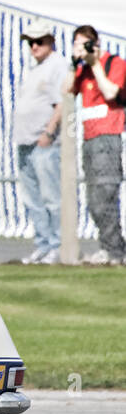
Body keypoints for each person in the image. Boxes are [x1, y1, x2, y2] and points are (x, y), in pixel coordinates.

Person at [63, 24, 126, 264]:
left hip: (108, 137)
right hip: (89, 138)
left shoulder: (113, 63)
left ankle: (115, 251)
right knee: (94, 199)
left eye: (87, 43)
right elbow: (67, 91)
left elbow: (111, 93)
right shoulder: (82, 69)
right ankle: (109, 247)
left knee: (106, 193)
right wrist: (74, 62)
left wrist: (96, 62)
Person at [13, 21, 65, 264]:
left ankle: (58, 245)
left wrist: (49, 133)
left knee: (51, 196)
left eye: (39, 41)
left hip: (43, 142)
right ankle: (42, 244)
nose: (34, 46)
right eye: (30, 42)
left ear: (50, 41)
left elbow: (62, 103)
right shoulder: (35, 68)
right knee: (32, 198)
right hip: (25, 141)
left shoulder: (57, 65)